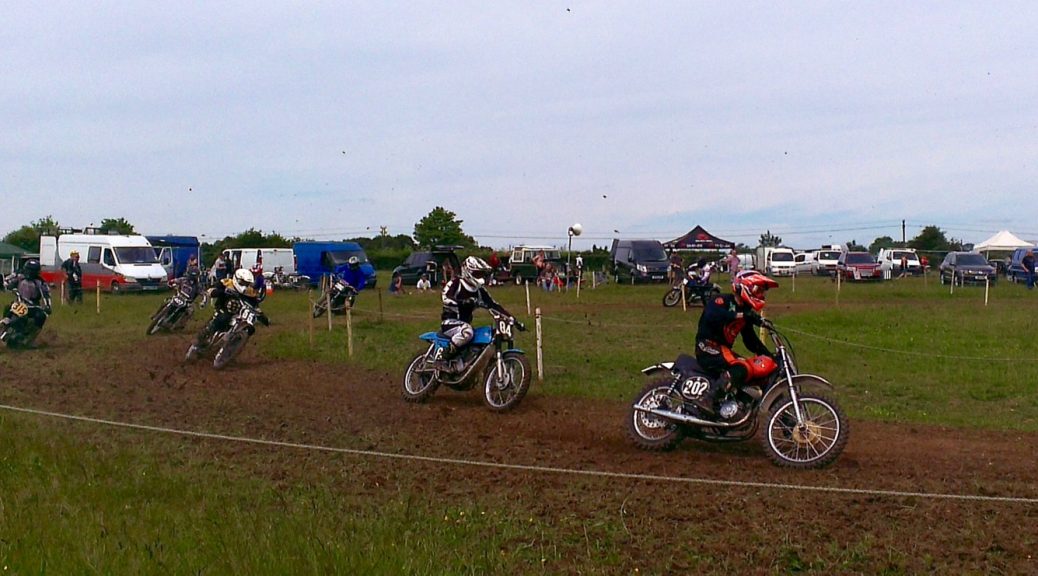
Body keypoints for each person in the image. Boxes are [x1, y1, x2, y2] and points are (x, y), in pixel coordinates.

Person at [692, 270, 779, 417]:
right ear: (742, 287)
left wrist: (769, 356)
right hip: (707, 346)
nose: (760, 295)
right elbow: (713, 316)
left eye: (762, 291)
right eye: (757, 290)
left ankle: (739, 406)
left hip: (722, 350)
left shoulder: (745, 311)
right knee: (741, 367)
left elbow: (750, 341)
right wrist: (742, 315)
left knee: (754, 369)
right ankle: (708, 399)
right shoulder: (721, 300)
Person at [437, 256, 515, 372]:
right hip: (450, 322)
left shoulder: (479, 290)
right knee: (467, 332)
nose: (480, 277)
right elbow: (445, 297)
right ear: (468, 272)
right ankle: (442, 358)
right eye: (477, 274)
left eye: (481, 274)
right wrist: (462, 302)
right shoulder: (457, 282)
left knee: (486, 335)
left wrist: (511, 318)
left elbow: (493, 304)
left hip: (464, 323)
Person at [186, 268, 267, 360]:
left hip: (238, 315)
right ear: (237, 279)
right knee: (220, 320)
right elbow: (211, 291)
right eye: (243, 283)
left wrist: (263, 317)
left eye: (246, 284)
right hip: (222, 309)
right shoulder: (226, 283)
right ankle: (197, 343)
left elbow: (255, 306)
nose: (245, 285)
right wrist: (221, 292)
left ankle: (232, 350)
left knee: (249, 328)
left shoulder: (249, 293)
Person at [0, 259, 52, 343]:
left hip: (33, 307)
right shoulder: (19, 276)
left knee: (41, 316)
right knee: (8, 308)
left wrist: (47, 306)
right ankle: (4, 324)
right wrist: (7, 285)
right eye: (28, 270)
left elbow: (46, 295)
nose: (29, 273)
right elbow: (7, 280)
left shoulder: (40, 282)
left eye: (32, 271)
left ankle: (30, 338)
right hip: (19, 303)